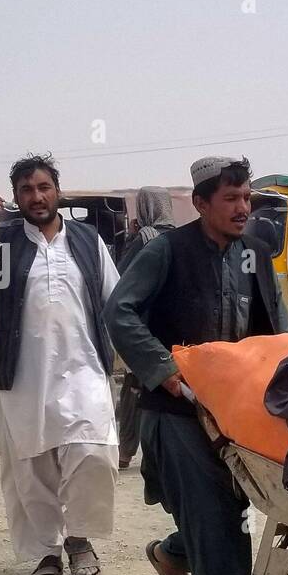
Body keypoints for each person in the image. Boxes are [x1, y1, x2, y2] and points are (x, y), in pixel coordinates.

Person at [104, 156, 288, 575]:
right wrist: (161, 367)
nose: (242, 208)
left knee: (240, 501)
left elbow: (277, 324)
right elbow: (118, 310)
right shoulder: (167, 250)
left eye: (246, 197)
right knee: (212, 507)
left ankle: (171, 555)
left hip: (240, 409)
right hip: (178, 409)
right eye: (230, 199)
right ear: (203, 203)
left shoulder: (256, 252)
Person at [0, 153, 121, 575]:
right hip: (25, 377)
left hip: (84, 370)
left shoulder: (87, 241)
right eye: (27, 190)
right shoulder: (3, 243)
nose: (37, 196)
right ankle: (47, 551)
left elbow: (116, 299)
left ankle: (80, 539)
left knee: (93, 455)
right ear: (15, 197)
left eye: (44, 187)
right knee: (32, 469)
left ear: (58, 191)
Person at [114, 187, 176, 470]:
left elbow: (120, 277)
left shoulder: (145, 239)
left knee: (134, 390)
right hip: (173, 329)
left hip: (143, 327)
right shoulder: (180, 238)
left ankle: (125, 451)